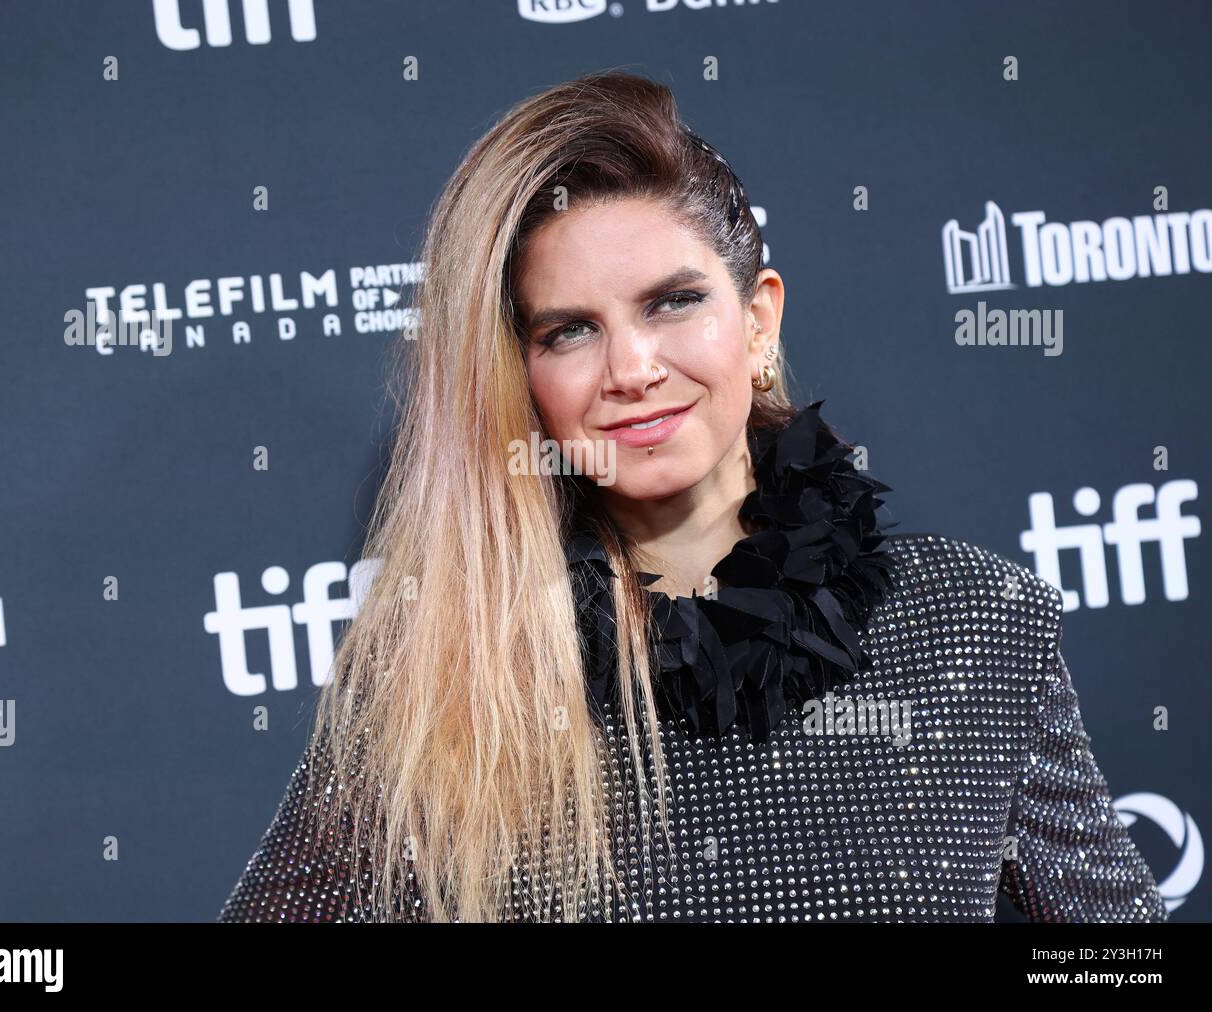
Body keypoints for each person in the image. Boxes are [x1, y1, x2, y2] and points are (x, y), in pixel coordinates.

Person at [217, 69, 1167, 923]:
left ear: (758, 322)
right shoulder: (441, 681)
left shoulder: (973, 623)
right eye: (568, 331)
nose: (631, 368)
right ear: (520, 377)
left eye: (672, 303)